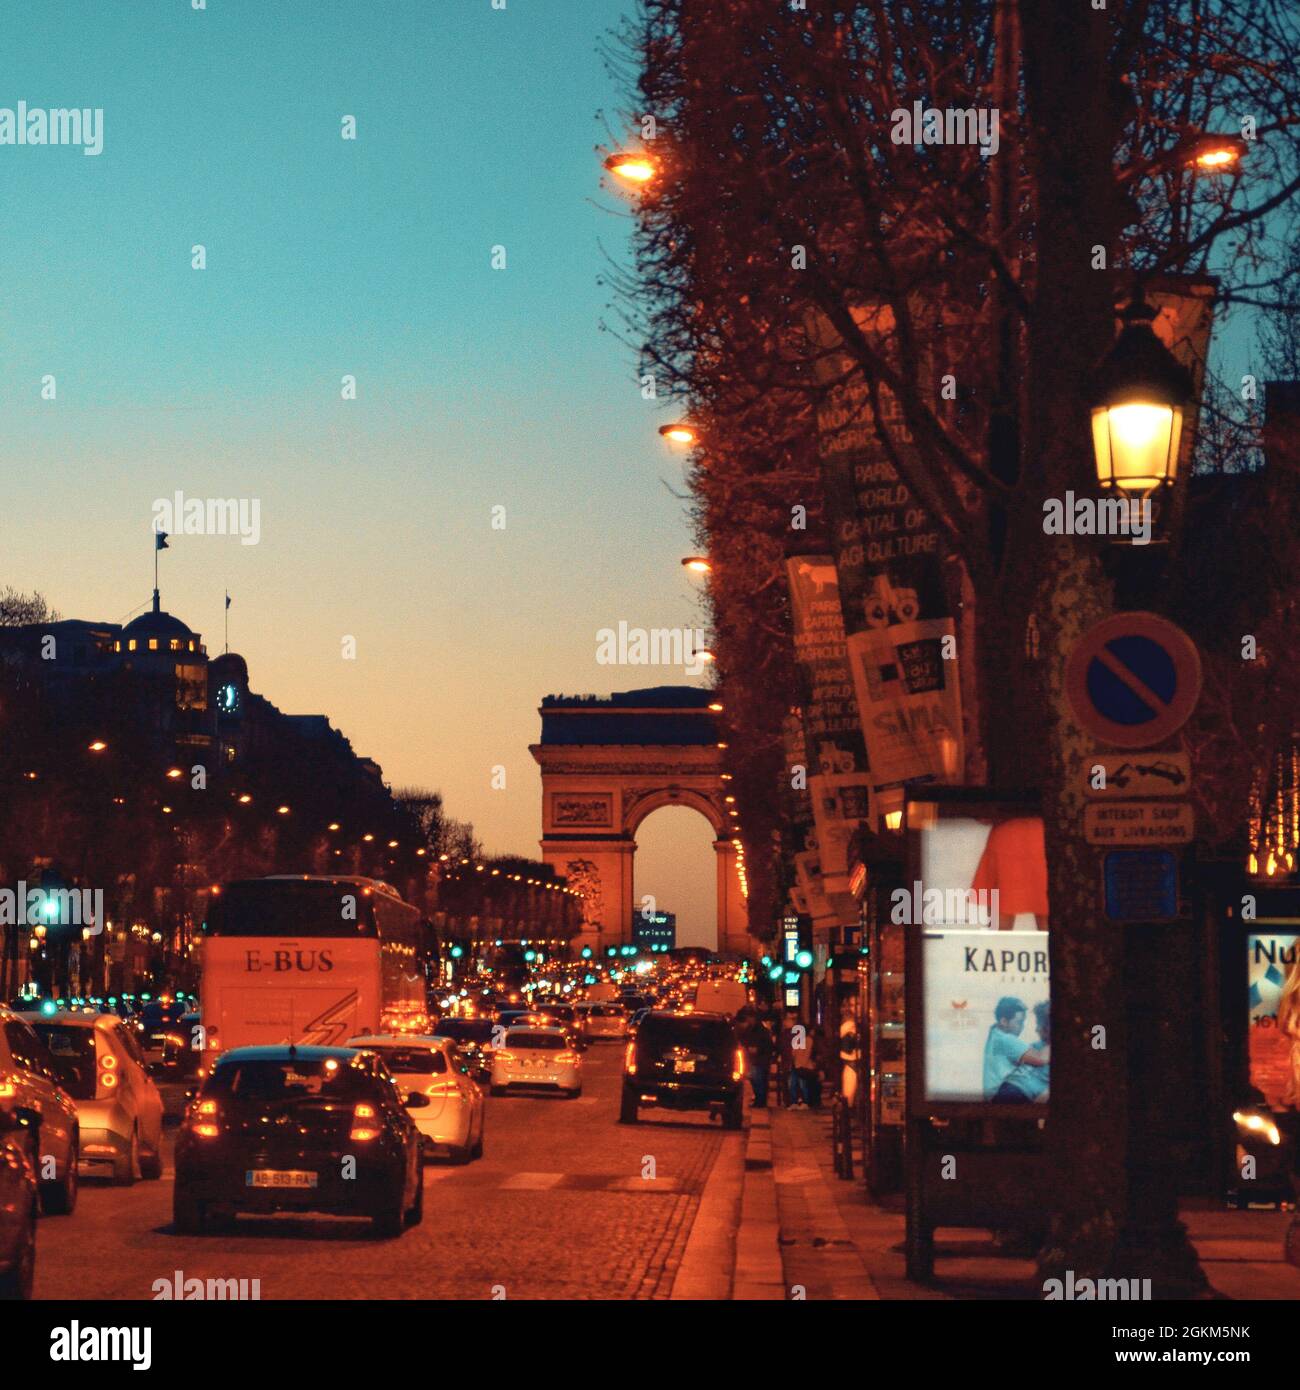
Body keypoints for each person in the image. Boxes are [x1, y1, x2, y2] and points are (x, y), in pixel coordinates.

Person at [993, 1001, 1050, 1103]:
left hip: (1022, 1094)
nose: (1036, 1029)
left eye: (1039, 1024)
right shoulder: (1036, 1045)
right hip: (1008, 1088)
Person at [982, 995, 1034, 1099]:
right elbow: (1040, 1059)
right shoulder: (1006, 1040)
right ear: (1004, 1021)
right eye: (1019, 1022)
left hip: (993, 1096)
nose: (1022, 1026)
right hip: (1001, 1095)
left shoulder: (994, 1033)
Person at [739, 1009, 774, 1108]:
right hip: (755, 1059)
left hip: (760, 1059)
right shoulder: (752, 1029)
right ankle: (760, 1100)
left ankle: (760, 1101)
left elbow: (767, 1045)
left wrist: (758, 1049)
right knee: (755, 1080)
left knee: (758, 1080)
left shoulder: (760, 1030)